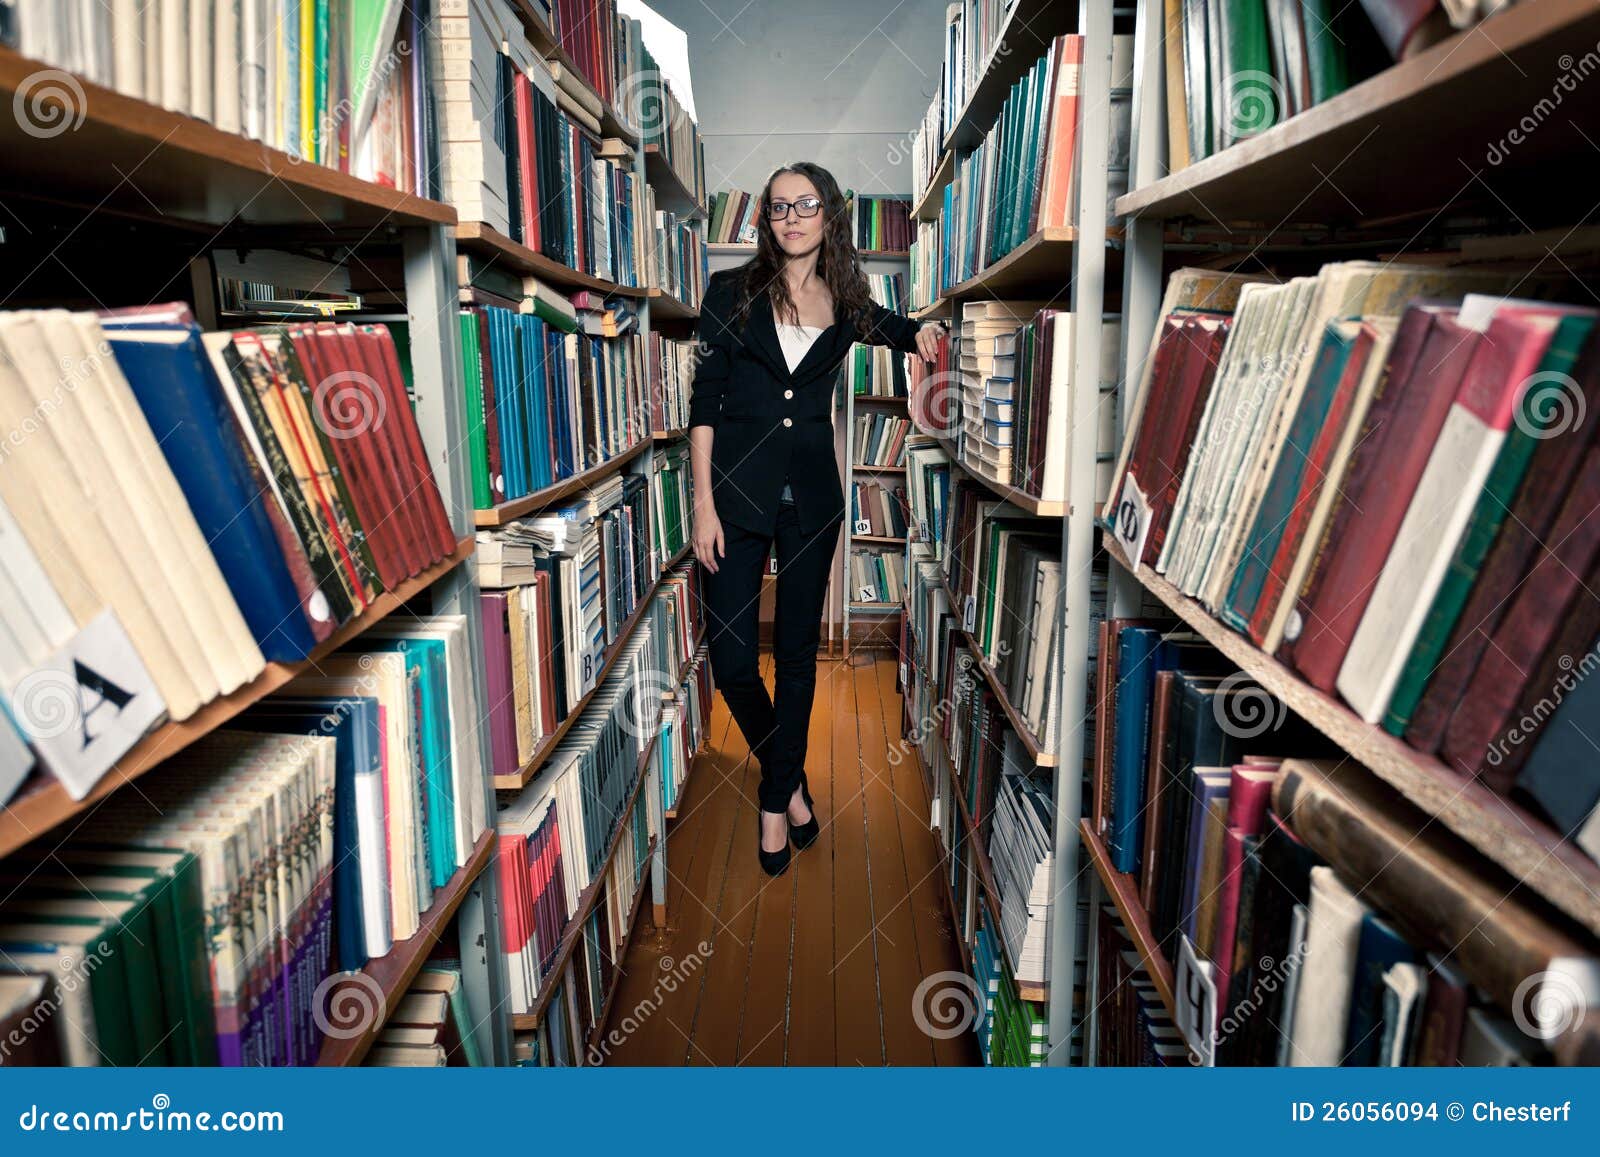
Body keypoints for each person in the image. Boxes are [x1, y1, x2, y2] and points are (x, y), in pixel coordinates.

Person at [686, 161, 946, 876]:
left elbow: (897, 329)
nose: (792, 216)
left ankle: (777, 802)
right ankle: (792, 777)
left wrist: (924, 334)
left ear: (828, 214)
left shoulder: (850, 300)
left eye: (805, 204)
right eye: (777, 207)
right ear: (765, 221)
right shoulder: (729, 293)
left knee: (798, 656)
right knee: (734, 657)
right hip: (734, 500)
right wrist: (702, 503)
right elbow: (704, 403)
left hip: (812, 504)